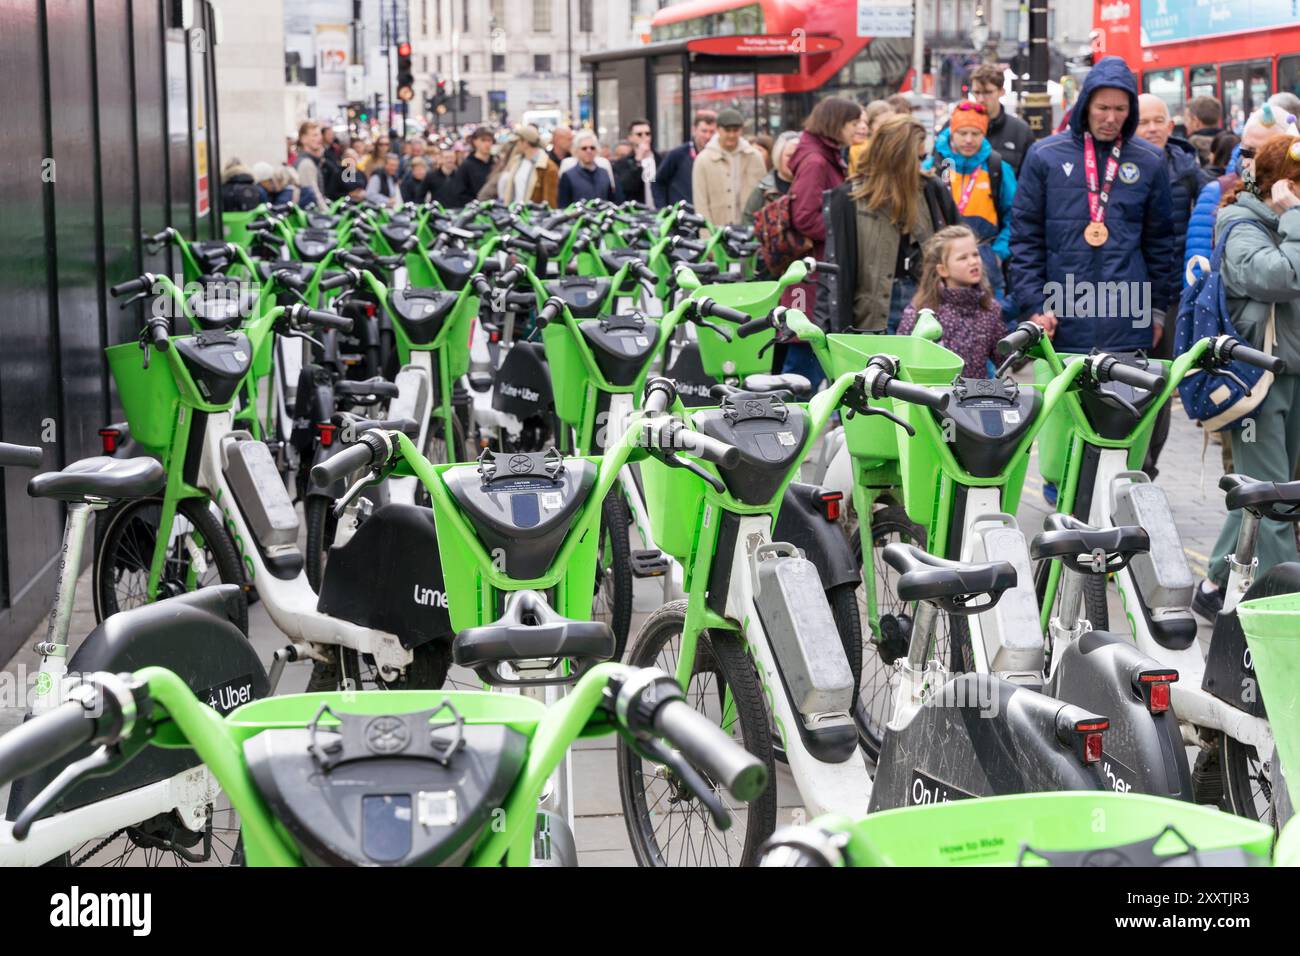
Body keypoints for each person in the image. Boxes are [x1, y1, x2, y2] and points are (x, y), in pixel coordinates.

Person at [1197, 134, 1300, 620]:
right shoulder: (1241, 224)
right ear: (1282, 186)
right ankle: (1281, 604)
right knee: (1275, 495)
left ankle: (1217, 579)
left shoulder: (1284, 221)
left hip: (1291, 370)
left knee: (1262, 491)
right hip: (1257, 377)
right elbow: (1278, 278)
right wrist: (1295, 218)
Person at [1008, 56, 1175, 354]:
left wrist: (1157, 311)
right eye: (1103, 108)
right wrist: (1034, 305)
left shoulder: (1149, 160)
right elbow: (1025, 240)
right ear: (1086, 105)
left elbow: (1160, 244)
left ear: (1130, 111)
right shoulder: (1044, 155)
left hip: (1127, 321)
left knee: (1124, 402)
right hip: (1060, 320)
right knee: (1065, 402)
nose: (1111, 118)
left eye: (1120, 109)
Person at [823, 114, 961, 334]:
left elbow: (955, 243)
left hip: (926, 306)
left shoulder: (931, 189)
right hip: (871, 314)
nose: (922, 165)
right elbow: (835, 269)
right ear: (896, 158)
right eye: (917, 158)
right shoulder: (849, 197)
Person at [1135, 92, 1209, 477]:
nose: (1151, 128)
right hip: (1128, 292)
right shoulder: (1122, 164)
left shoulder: (1187, 168)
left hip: (1173, 293)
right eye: (1143, 121)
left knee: (1163, 383)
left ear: (1170, 125)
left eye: (1157, 120)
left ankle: (1149, 467)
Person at [777, 97, 865, 383]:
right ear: (835, 124)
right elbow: (804, 216)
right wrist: (841, 233)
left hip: (817, 270)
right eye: (853, 123)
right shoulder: (816, 160)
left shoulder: (823, 155)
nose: (858, 128)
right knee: (806, 351)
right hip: (814, 273)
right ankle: (789, 419)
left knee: (812, 349)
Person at [1183, 107, 1299, 290]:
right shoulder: (1218, 191)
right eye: (1247, 150)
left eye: (1263, 152)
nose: (1249, 161)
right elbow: (1198, 257)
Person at [924, 101, 1017, 311]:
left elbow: (1014, 216)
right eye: (962, 133)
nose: (968, 140)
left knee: (991, 324)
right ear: (952, 132)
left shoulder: (997, 168)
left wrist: (998, 253)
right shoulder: (935, 167)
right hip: (940, 264)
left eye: (975, 133)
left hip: (985, 262)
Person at [897, 225, 1006, 378]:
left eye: (975, 254)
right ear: (943, 270)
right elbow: (903, 363)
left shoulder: (990, 308)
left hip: (975, 399)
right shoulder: (921, 311)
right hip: (933, 399)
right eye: (963, 258)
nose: (973, 261)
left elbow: (1005, 358)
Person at [691, 108, 767, 228]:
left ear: (741, 130)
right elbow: (701, 205)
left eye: (735, 130)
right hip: (717, 233)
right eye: (727, 130)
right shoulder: (703, 160)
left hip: (750, 231)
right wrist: (708, 239)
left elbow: (765, 197)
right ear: (718, 129)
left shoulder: (754, 157)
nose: (731, 135)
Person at [969, 63, 1035, 176]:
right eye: (977, 92)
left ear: (1001, 92)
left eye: (987, 92)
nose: (981, 99)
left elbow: (1030, 179)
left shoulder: (1020, 131)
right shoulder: (956, 127)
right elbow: (943, 167)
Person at [653, 109, 717, 208]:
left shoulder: (718, 156)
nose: (707, 136)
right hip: (681, 217)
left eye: (711, 132)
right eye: (704, 131)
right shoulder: (678, 154)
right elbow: (658, 182)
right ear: (694, 130)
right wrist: (663, 210)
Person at [743, 129, 800, 220]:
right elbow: (748, 221)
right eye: (789, 156)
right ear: (778, 156)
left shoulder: (811, 186)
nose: (794, 160)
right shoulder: (763, 189)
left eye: (798, 156)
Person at [497, 125, 559, 206]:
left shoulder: (547, 167)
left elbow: (550, 202)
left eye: (518, 141)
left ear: (525, 142)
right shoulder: (517, 161)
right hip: (515, 214)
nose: (517, 145)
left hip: (533, 216)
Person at [558, 129, 621, 205]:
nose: (589, 151)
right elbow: (563, 205)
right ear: (576, 151)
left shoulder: (604, 172)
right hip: (578, 216)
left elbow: (611, 201)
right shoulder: (568, 175)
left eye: (592, 148)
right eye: (584, 148)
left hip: (602, 215)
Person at [444, 127, 495, 207]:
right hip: (475, 209)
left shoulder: (496, 162)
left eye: (489, 140)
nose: (487, 144)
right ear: (475, 142)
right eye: (483, 140)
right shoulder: (466, 165)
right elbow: (459, 192)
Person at [613, 118, 660, 207]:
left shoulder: (660, 159)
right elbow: (627, 187)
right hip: (637, 211)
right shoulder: (623, 163)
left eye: (647, 134)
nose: (644, 137)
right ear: (630, 138)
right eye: (639, 134)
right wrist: (638, 160)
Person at [293, 121, 326, 209]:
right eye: (315, 135)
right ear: (303, 139)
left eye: (319, 134)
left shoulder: (310, 161)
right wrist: (328, 215)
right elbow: (315, 196)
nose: (319, 138)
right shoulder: (306, 164)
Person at [1185, 95, 1225, 169]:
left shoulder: (1188, 148)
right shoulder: (1230, 143)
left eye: (1186, 119)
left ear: (1196, 122)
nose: (1185, 124)